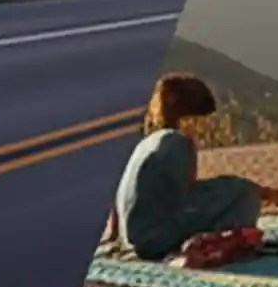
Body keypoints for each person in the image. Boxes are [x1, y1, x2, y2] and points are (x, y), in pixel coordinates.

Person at [109, 73, 262, 261]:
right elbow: (187, 197)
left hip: (133, 236)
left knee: (229, 188)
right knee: (244, 191)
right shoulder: (178, 142)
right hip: (154, 240)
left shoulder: (148, 142)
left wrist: (115, 237)